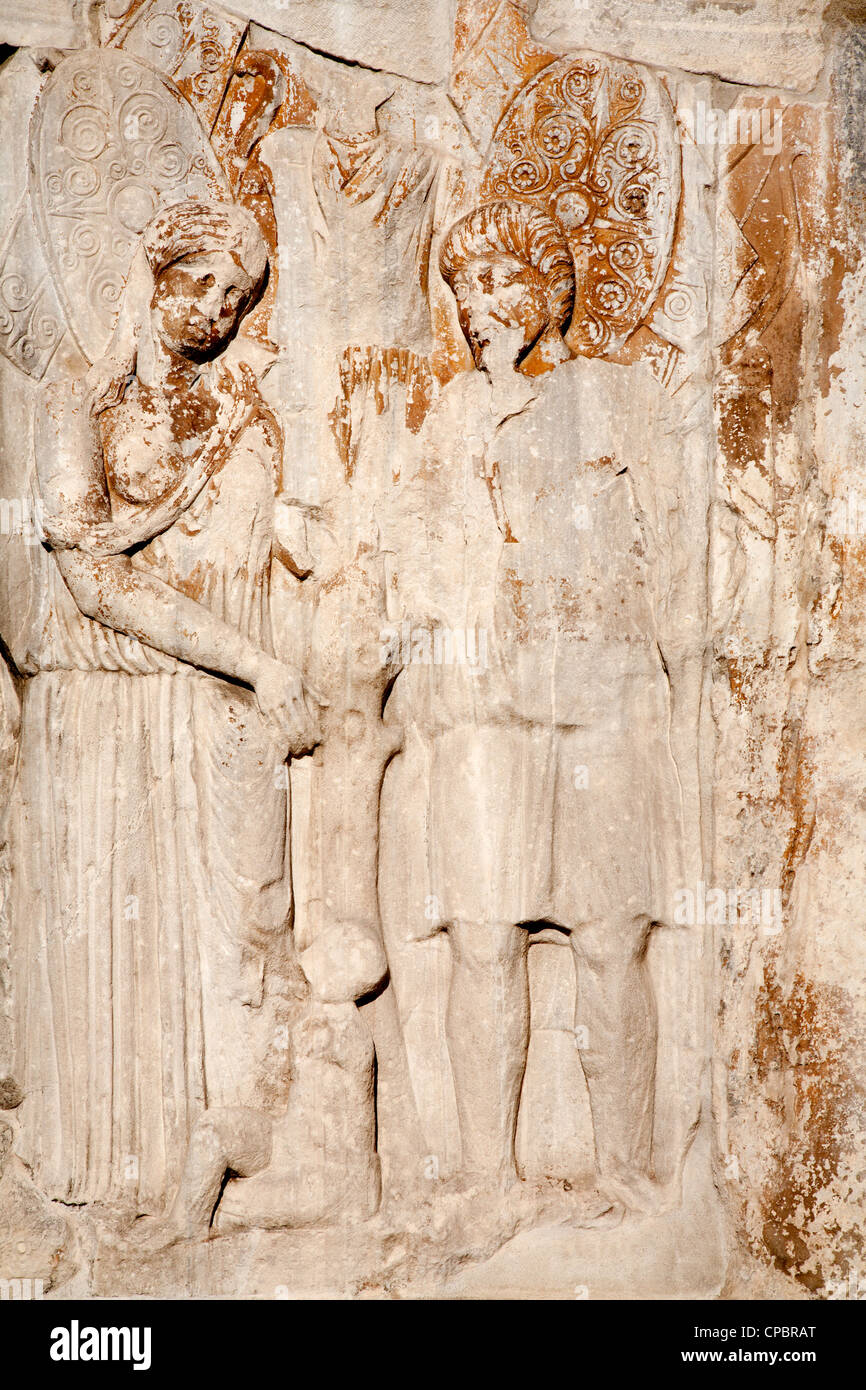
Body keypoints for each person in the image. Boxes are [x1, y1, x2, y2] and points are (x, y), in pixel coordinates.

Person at [11, 197, 320, 1210]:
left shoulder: (242, 419)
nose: (214, 311)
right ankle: (88, 1189)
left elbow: (269, 568)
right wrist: (257, 666)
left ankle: (202, 1165)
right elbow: (92, 578)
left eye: (233, 298)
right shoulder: (75, 404)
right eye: (198, 282)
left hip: (201, 714)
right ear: (153, 274)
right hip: (97, 705)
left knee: (216, 942)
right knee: (98, 931)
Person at [384, 199, 685, 1212]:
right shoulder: (452, 417)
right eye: (463, 293)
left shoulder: (618, 397)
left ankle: (624, 1167)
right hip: (486, 706)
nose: (478, 309)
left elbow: (674, 553)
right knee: (481, 935)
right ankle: (483, 1176)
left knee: (610, 935)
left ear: (548, 289)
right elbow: (413, 565)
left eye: (500, 283)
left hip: (602, 700)